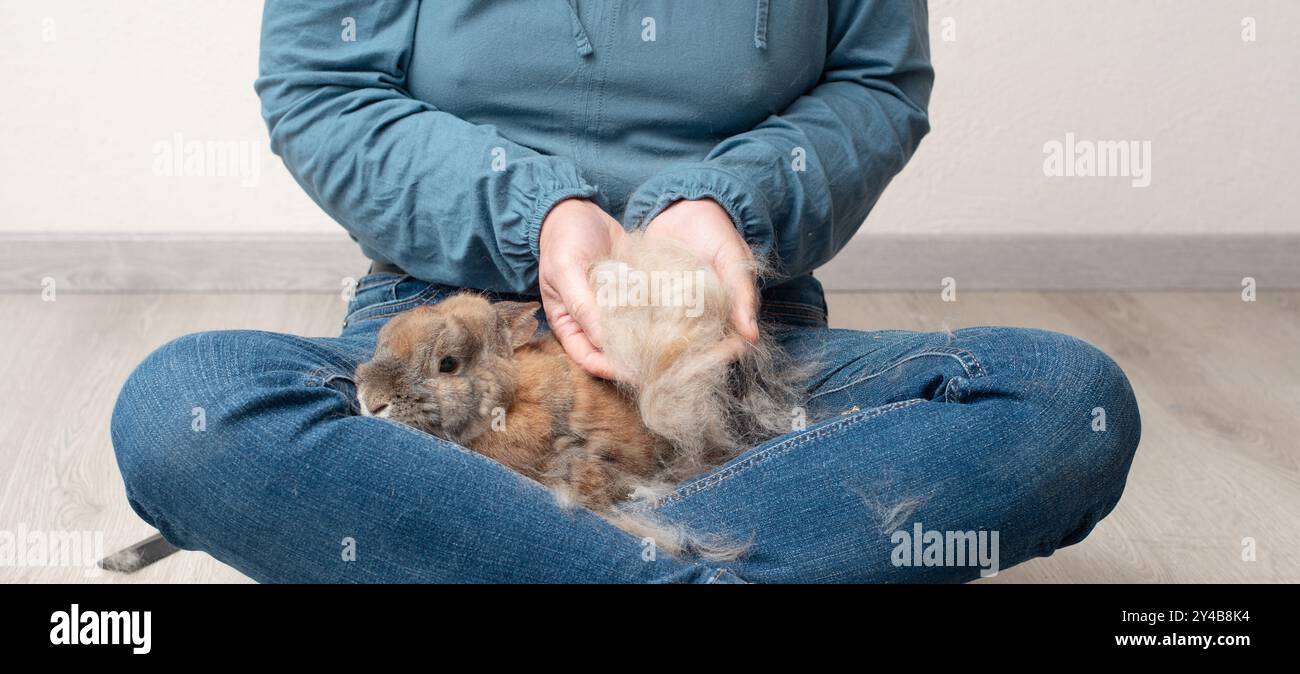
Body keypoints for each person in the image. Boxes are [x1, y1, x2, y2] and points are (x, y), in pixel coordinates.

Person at [111, 1, 1140, 583]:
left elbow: (877, 83)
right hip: (459, 345)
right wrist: (543, 213)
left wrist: (720, 204)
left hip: (737, 360)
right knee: (185, 408)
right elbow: (320, 87)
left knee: (1059, 398)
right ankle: (709, 559)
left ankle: (511, 552)